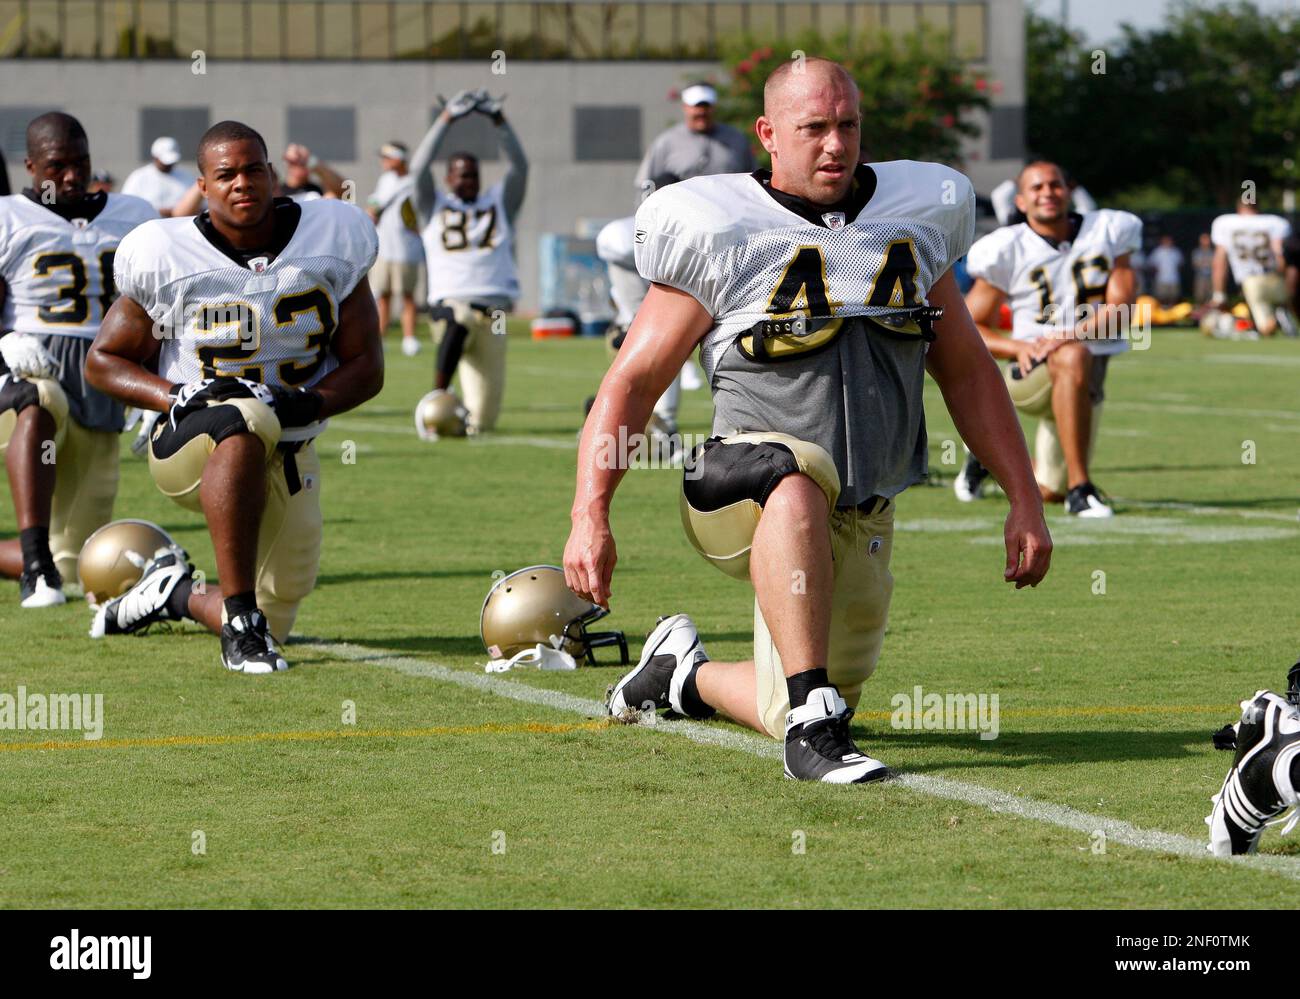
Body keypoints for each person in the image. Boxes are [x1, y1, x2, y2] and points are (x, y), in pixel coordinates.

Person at [565, 58, 1051, 783]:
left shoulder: (912, 217)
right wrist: (590, 512)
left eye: (847, 125)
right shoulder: (722, 228)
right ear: (767, 134)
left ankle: (680, 676)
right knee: (795, 478)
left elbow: (968, 370)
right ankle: (813, 727)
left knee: (779, 695)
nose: (834, 144)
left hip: (864, 505)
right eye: (813, 128)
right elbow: (632, 384)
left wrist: (1025, 497)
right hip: (738, 482)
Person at [85, 120, 382, 673]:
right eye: (226, 175)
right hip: (191, 438)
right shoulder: (166, 252)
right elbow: (102, 361)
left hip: (289, 437)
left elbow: (368, 367)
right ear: (203, 185)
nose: (242, 183)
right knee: (241, 416)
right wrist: (178, 393)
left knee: (283, 608)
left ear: (271, 174)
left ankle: (175, 594)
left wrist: (309, 403)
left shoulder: (334, 235)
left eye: (253, 170)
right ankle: (239, 621)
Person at [0, 112, 155, 606]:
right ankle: (34, 565)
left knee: (73, 563)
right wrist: (3, 341)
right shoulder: (8, 216)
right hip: (27, 366)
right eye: (56, 166)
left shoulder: (134, 214)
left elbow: (162, 305)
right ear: (30, 166)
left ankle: (42, 562)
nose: (70, 176)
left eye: (80, 163)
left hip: (103, 373)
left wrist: (156, 380)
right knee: (37, 399)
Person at [956, 161, 1140, 518]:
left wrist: (1061, 336)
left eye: (1055, 185)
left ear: (1069, 190)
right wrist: (1021, 346)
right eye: (1037, 188)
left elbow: (1122, 310)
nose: (1047, 193)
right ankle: (1081, 489)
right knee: (1071, 356)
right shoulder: (1007, 246)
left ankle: (987, 458)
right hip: (1031, 373)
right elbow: (970, 325)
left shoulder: (1109, 229)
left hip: (1086, 379)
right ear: (1021, 201)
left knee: (1046, 491)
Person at [410, 89, 527, 435]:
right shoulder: (433, 207)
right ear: (448, 178)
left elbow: (521, 166)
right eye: (461, 175)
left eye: (473, 175)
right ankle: (438, 395)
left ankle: (454, 417)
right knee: (458, 317)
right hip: (451, 307)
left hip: (495, 315)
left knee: (482, 423)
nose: (468, 181)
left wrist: (499, 120)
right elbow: (417, 168)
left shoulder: (499, 203)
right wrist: (445, 120)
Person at [593, 172, 682, 449]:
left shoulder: (688, 234)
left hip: (665, 329)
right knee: (633, 404)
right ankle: (657, 431)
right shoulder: (625, 233)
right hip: (629, 330)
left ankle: (660, 426)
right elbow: (615, 244)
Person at [634, 83, 756, 190]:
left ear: (714, 107)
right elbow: (647, 186)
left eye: (706, 106)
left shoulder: (736, 139)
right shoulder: (666, 142)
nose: (702, 112)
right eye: (696, 106)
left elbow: (753, 183)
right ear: (685, 107)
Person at [366, 142, 425, 357]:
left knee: (407, 295)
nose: (384, 162)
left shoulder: (414, 182)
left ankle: (409, 338)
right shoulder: (385, 180)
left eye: (387, 157)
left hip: (406, 249)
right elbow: (375, 202)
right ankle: (380, 339)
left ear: (398, 158)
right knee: (383, 296)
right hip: (384, 248)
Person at [1210, 197, 1295, 336]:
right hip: (1274, 276)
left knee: (1266, 327)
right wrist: (1282, 279)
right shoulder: (1275, 222)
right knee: (1279, 303)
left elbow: (1219, 262)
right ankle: (1280, 311)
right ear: (1258, 208)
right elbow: (1279, 254)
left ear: (1238, 207)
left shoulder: (1225, 223)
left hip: (1251, 281)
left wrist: (1219, 294)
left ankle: (1273, 321)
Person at [121, 136, 196, 217]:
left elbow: (202, 205)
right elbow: (128, 205)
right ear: (155, 157)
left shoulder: (187, 177)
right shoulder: (139, 177)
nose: (169, 165)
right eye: (164, 161)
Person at [278, 143, 345, 202]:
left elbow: (343, 190)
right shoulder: (278, 192)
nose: (299, 165)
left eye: (303, 162)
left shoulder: (317, 191)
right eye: (293, 162)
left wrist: (312, 162)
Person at [1149, 234, 1184, 306]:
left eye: (1169, 240)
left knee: (1173, 296)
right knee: (1161, 296)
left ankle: (1172, 312)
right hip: (1161, 279)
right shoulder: (1157, 252)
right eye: (1166, 240)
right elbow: (1151, 264)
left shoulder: (1176, 252)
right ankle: (1163, 312)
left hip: (1174, 279)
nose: (1168, 242)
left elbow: (1180, 264)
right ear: (1162, 241)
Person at [1191, 232, 1215, 305]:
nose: (1205, 241)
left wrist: (1204, 263)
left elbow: (1215, 264)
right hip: (1200, 276)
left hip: (1211, 277)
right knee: (1199, 295)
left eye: (1207, 239)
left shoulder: (1213, 252)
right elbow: (1195, 264)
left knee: (1211, 295)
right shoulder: (1196, 252)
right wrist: (1207, 263)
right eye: (1203, 239)